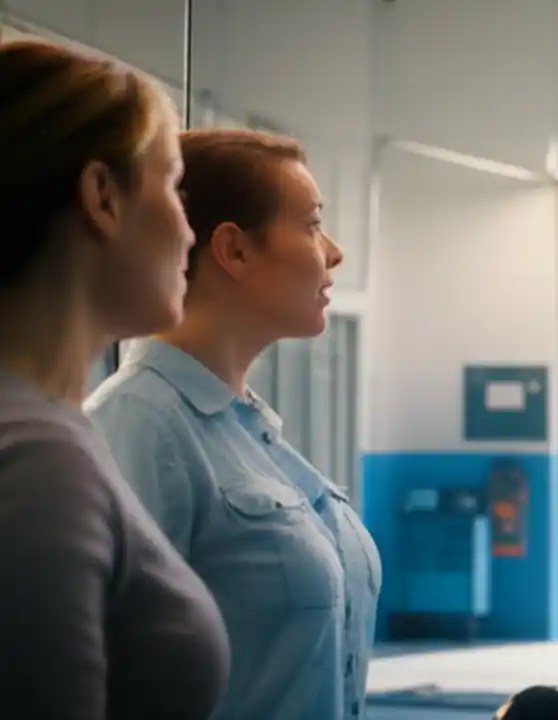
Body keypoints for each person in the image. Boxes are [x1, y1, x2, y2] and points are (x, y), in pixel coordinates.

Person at [85, 128, 382, 720]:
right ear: (235, 251)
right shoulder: (138, 426)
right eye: (312, 223)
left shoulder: (249, 431)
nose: (334, 251)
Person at [0, 40, 230, 717]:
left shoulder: (48, 434)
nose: (189, 231)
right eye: (173, 186)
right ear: (102, 195)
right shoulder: (37, 461)